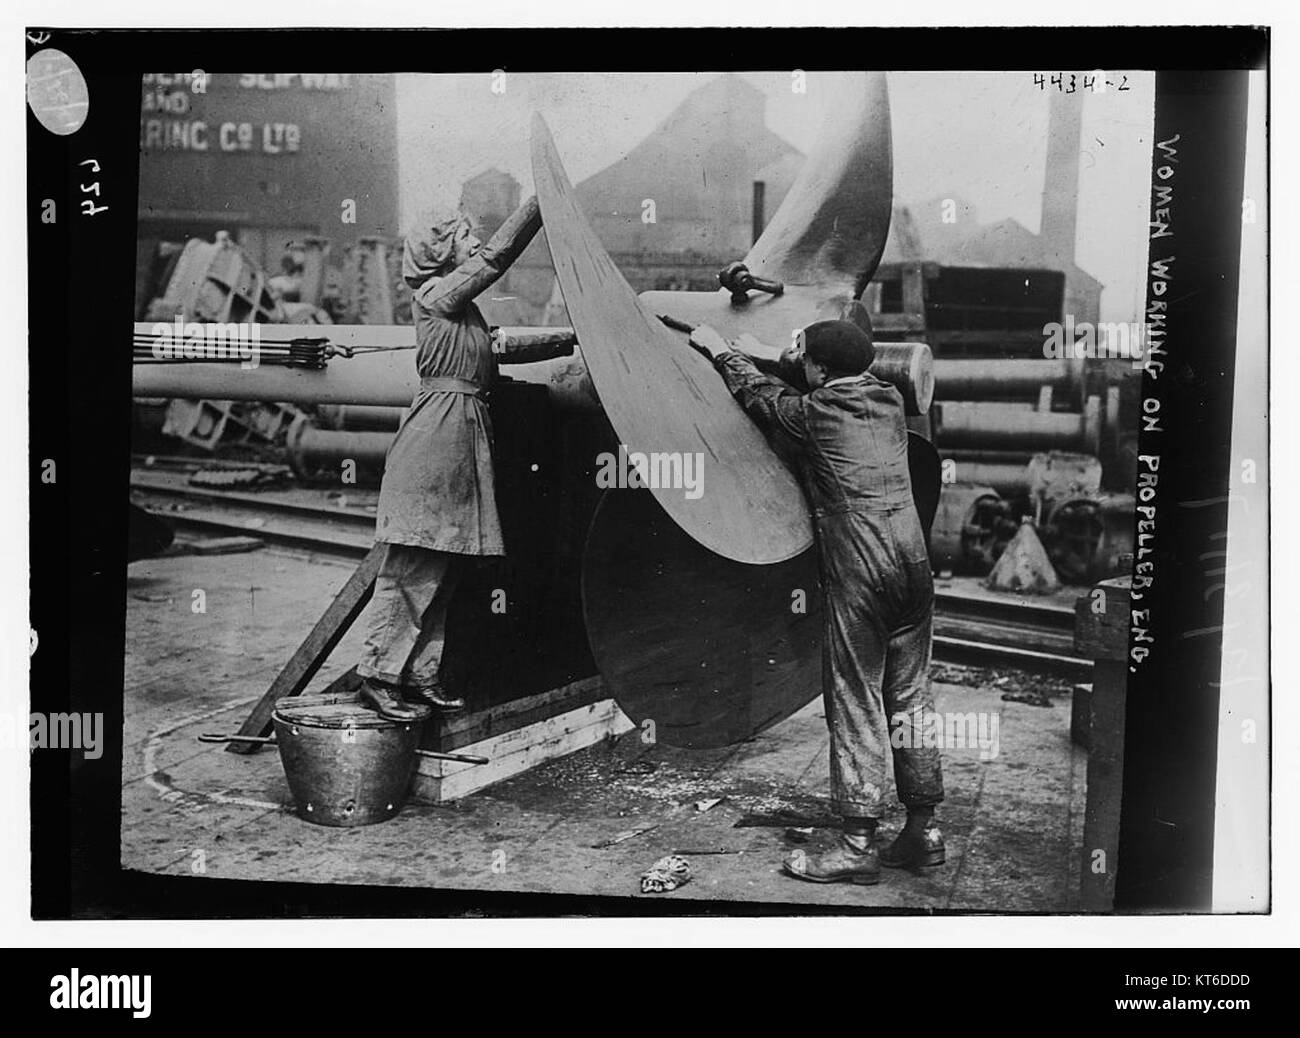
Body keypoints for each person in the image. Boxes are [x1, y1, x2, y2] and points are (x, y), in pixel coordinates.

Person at [689, 316, 945, 885]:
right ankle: (924, 832)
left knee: (854, 700)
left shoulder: (815, 414)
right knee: (911, 699)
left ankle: (857, 845)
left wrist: (720, 351)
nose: (796, 359)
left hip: (864, 570)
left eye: (801, 352)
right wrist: (769, 348)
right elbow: (813, 370)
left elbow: (763, 398)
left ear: (818, 369)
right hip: (914, 567)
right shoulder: (886, 398)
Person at [355, 196, 542, 723]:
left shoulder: (466, 313)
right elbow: (495, 261)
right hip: (438, 439)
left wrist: (579, 339)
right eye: (464, 235)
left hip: (461, 438)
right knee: (415, 564)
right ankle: (377, 673)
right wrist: (536, 208)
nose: (475, 242)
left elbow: (509, 348)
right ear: (442, 250)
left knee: (444, 566)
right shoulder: (437, 294)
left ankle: (418, 673)